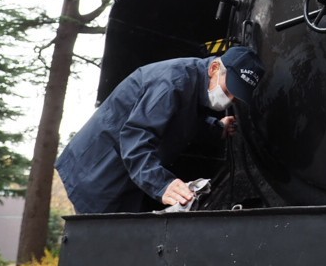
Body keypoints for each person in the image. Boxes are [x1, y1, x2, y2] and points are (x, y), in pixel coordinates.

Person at [56, 46, 265, 214]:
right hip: (98, 170)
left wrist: (216, 128)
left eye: (235, 98)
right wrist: (162, 184)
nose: (228, 100)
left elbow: (180, 120)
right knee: (101, 242)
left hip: (123, 172)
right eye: (228, 90)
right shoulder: (172, 82)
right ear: (214, 68)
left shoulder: (196, 84)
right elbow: (136, 137)